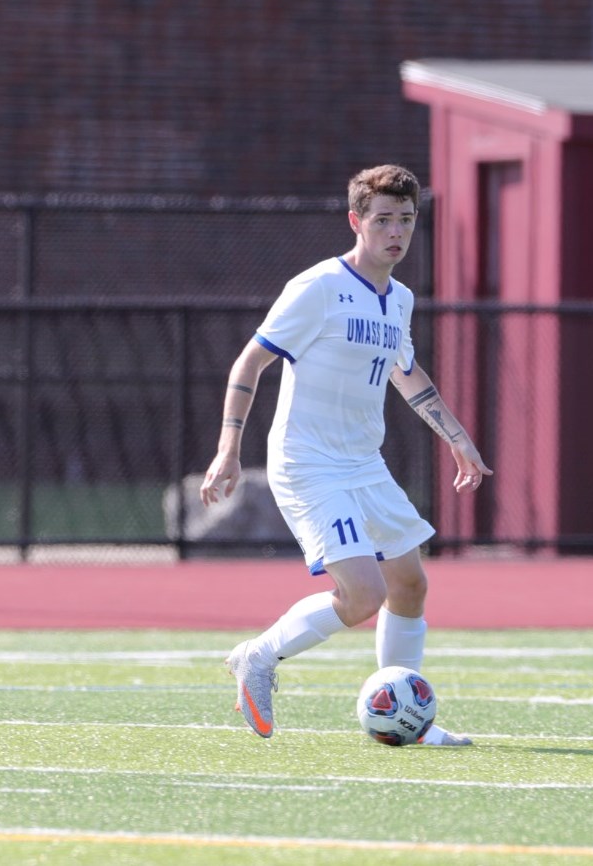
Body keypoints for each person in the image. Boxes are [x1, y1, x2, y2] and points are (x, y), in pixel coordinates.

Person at [202, 164, 492, 744]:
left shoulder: (400, 298)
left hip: (363, 462)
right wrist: (227, 449)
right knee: (365, 594)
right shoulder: (318, 288)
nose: (396, 232)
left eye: (406, 220)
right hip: (309, 463)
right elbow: (249, 362)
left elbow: (405, 372)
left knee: (410, 583)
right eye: (383, 219)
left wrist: (457, 436)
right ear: (356, 221)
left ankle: (410, 714)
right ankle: (258, 656)